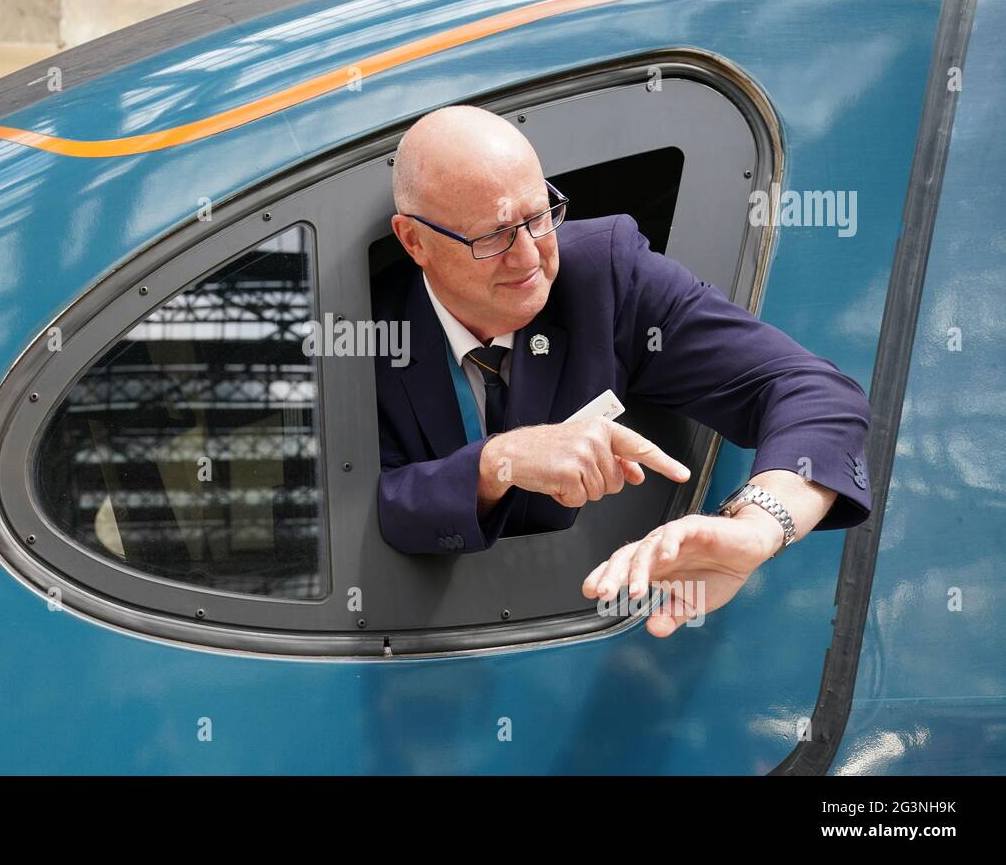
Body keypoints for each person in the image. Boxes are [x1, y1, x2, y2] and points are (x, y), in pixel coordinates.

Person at [372, 105, 872, 638]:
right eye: (491, 238)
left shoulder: (604, 273)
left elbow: (814, 392)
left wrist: (759, 526)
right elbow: (355, 512)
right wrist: (499, 462)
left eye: (538, 217)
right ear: (414, 241)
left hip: (613, 636)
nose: (528, 259)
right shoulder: (364, 331)